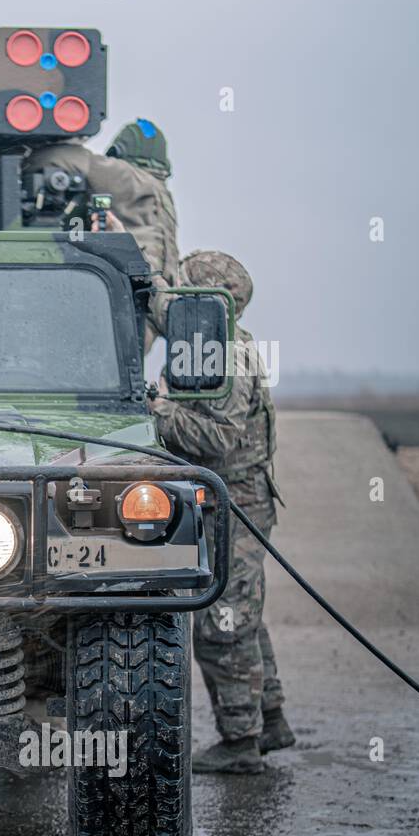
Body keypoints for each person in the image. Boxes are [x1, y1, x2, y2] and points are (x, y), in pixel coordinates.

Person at [148, 250, 292, 773]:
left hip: (235, 504)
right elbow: (162, 305)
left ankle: (240, 744)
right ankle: (270, 719)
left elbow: (219, 440)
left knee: (222, 622)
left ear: (208, 303)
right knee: (245, 615)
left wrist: (159, 411)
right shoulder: (213, 340)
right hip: (233, 502)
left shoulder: (226, 357)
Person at [27, 119, 179, 348]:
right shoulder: (164, 197)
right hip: (149, 313)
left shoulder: (128, 178)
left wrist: (22, 158)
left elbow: (70, 159)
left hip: (126, 300)